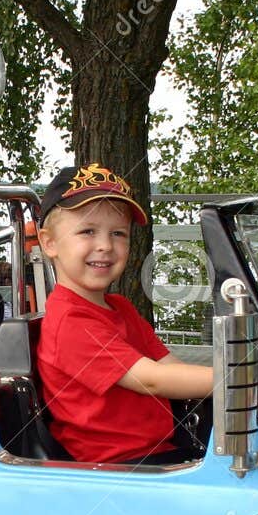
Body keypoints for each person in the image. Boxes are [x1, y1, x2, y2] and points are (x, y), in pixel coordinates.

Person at [35, 163, 214, 465]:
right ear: (49, 242)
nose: (105, 246)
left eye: (118, 233)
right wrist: (239, 377)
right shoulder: (71, 322)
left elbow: (170, 366)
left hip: (161, 448)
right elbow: (154, 380)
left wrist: (229, 379)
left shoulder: (121, 308)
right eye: (87, 231)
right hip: (121, 467)